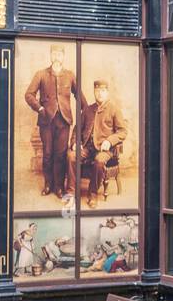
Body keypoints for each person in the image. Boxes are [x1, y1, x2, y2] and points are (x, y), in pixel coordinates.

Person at [23, 45, 81, 199]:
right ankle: (48, 184)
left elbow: (79, 95)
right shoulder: (41, 74)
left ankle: (59, 187)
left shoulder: (70, 75)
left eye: (59, 54)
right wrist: (40, 108)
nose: (57, 57)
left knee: (60, 155)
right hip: (46, 121)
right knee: (48, 154)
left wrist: (87, 111)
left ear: (63, 57)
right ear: (50, 56)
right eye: (54, 54)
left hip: (64, 121)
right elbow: (29, 95)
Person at [78, 79, 128, 209]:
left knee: (99, 161)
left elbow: (122, 131)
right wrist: (75, 143)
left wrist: (109, 140)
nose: (100, 93)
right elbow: (77, 130)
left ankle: (93, 194)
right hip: (88, 147)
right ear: (94, 92)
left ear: (107, 93)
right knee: (71, 155)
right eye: (97, 90)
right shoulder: (88, 109)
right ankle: (72, 193)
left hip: (105, 150)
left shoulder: (114, 109)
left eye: (103, 91)